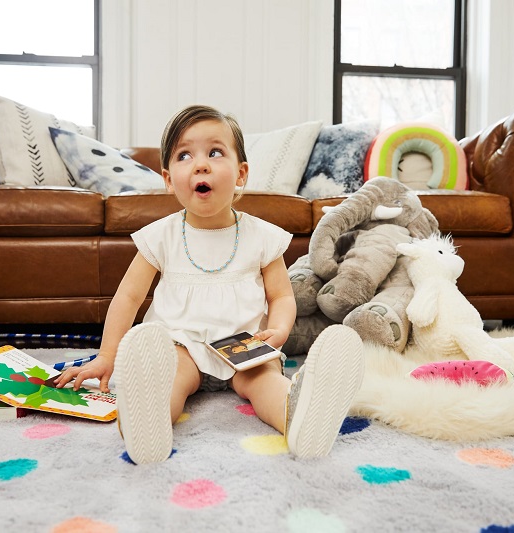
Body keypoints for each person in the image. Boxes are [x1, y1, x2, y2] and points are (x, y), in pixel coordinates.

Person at [55, 105, 364, 464]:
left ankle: (300, 417)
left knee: (265, 381)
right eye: (185, 155)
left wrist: (279, 330)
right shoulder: (161, 236)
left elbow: (281, 295)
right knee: (170, 378)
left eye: (215, 152)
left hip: (244, 347)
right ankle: (147, 422)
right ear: (169, 179)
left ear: (241, 173)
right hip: (180, 344)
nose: (200, 164)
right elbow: (128, 297)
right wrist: (107, 355)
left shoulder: (261, 236)